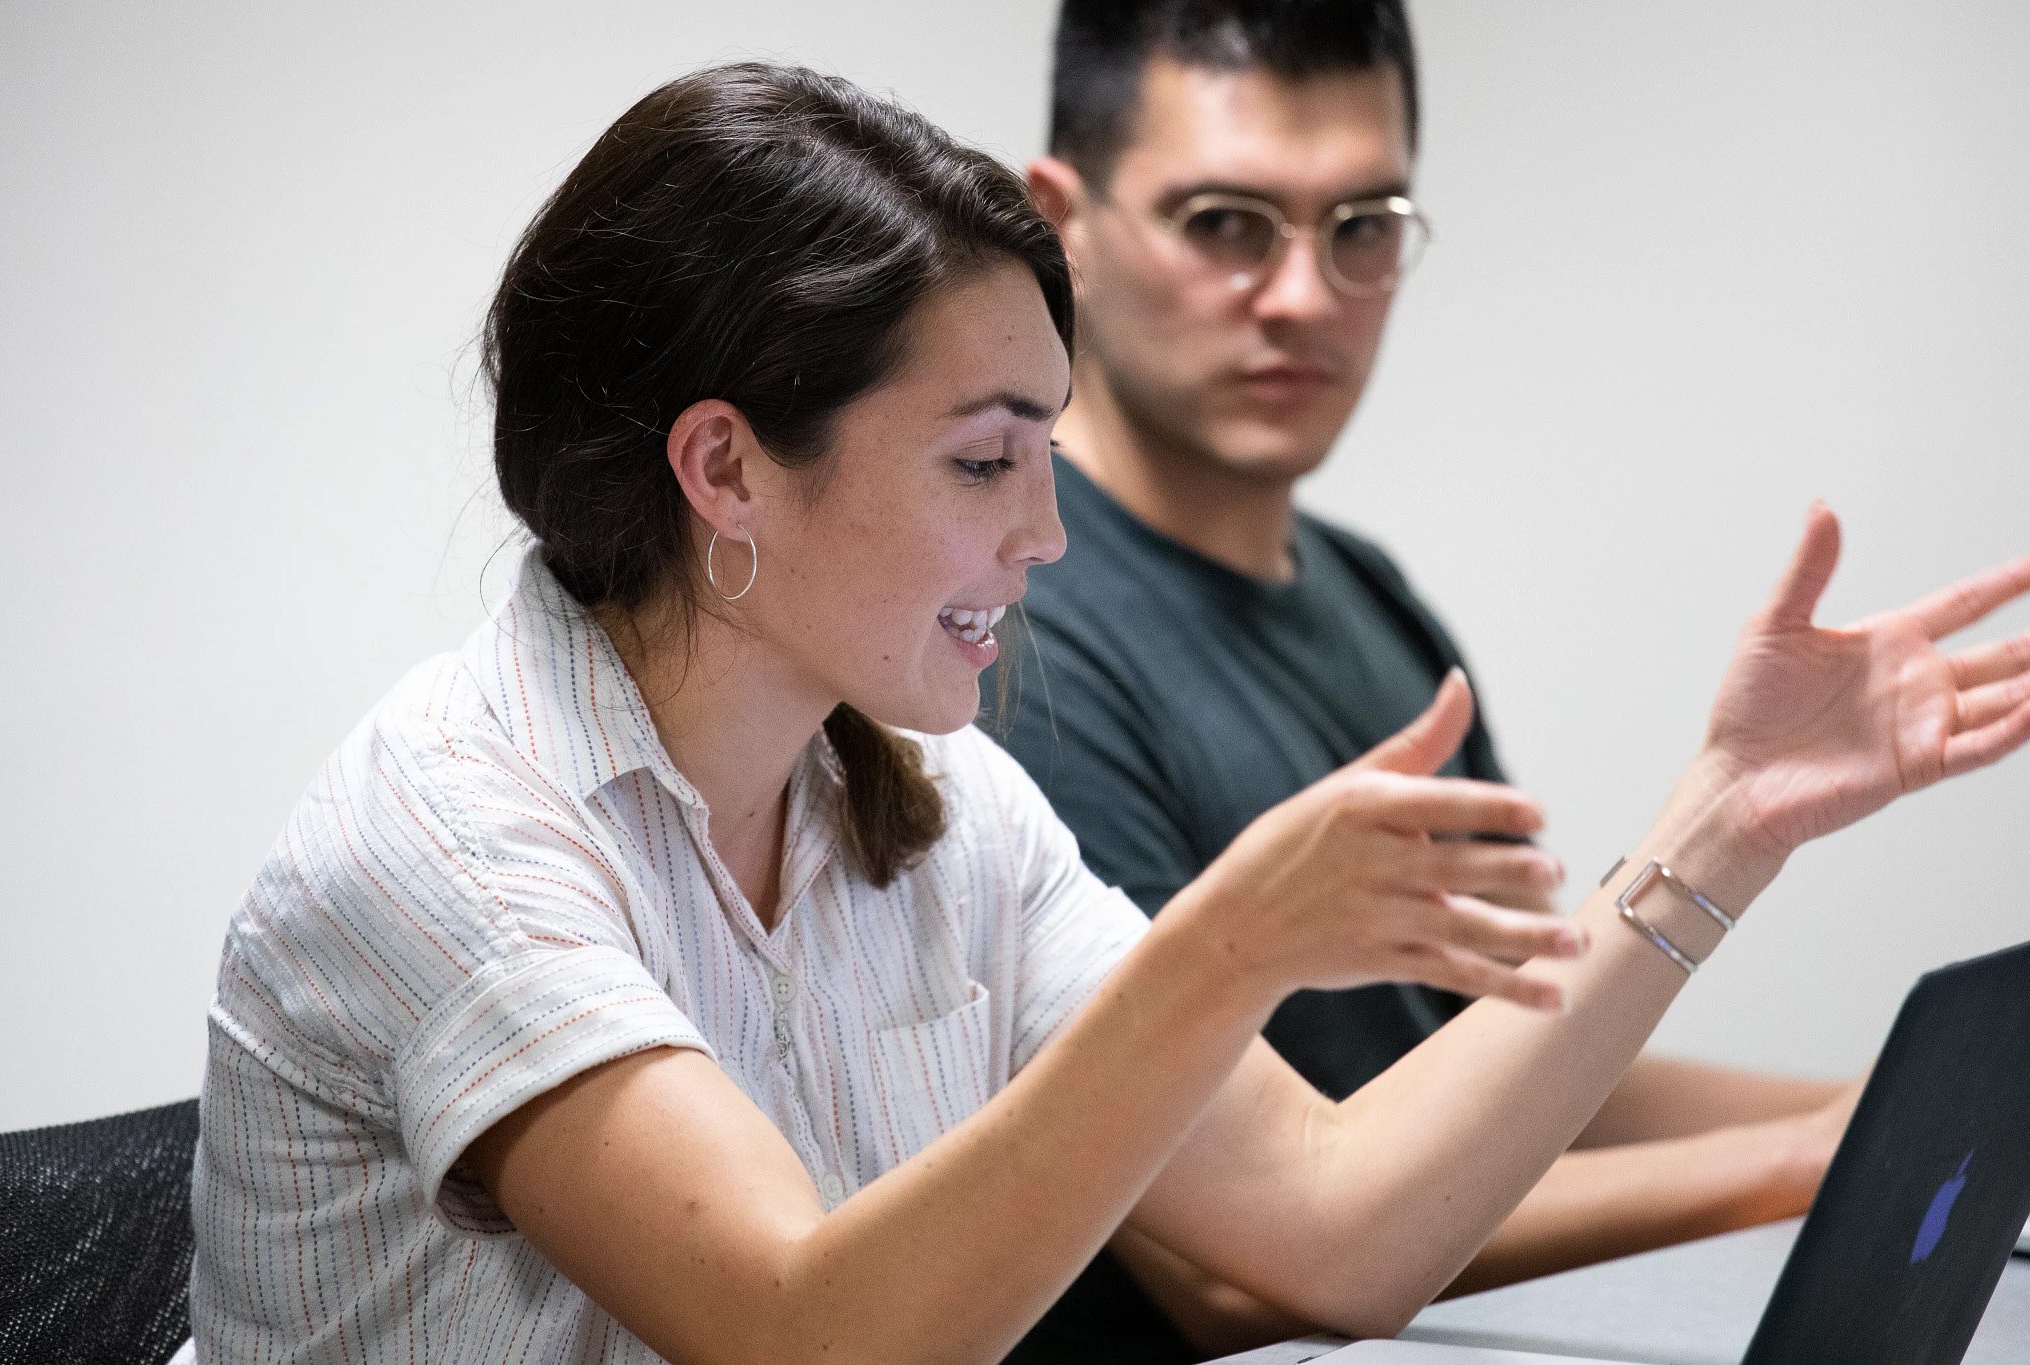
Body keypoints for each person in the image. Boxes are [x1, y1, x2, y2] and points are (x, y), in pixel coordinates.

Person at [182, 60, 2030, 1365]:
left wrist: (1727, 816)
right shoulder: (446, 837)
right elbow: (799, 1336)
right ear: (726, 467)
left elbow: (1337, 1226)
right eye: (988, 458)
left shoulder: (936, 801)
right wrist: (1222, 949)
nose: (1049, 531)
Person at [982, 3, 1951, 1357]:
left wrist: (1894, 1107)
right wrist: (1820, 1156)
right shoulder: (996, 640)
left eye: (1364, 225)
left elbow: (1513, 1056)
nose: (1305, 293)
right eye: (1224, 223)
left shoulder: (1367, 592)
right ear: (1060, 224)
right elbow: (1241, 1263)